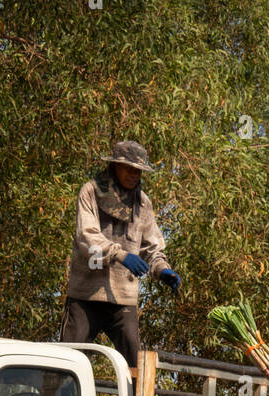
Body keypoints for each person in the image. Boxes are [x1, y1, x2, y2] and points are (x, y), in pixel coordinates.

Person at [60, 139, 180, 366]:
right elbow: (87, 237)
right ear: (115, 166)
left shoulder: (143, 203)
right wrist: (121, 255)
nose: (134, 174)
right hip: (86, 296)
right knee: (66, 363)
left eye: (138, 170)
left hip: (123, 299)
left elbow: (152, 247)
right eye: (129, 168)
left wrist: (163, 270)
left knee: (136, 366)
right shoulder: (91, 192)